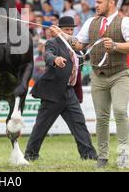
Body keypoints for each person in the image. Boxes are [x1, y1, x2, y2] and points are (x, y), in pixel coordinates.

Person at [50, 0, 129, 169]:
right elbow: (79, 45)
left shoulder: (126, 22)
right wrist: (62, 35)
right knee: (101, 117)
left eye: (99, 2)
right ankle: (103, 157)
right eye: (95, 1)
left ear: (111, 2)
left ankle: (123, 154)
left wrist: (115, 45)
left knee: (120, 111)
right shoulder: (90, 22)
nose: (95, 5)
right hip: (98, 76)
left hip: (120, 74)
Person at [25, 16, 97, 162]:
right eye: (67, 29)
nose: (70, 32)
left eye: (72, 29)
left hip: (69, 91)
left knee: (79, 123)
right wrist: (55, 60)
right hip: (53, 92)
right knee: (42, 126)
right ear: (59, 30)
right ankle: (30, 155)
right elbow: (48, 55)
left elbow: (81, 60)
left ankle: (89, 155)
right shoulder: (52, 42)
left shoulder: (76, 46)